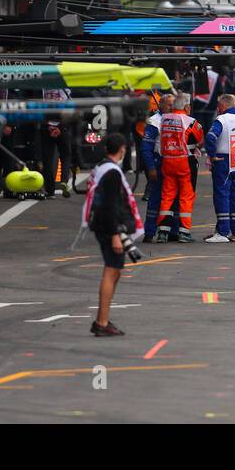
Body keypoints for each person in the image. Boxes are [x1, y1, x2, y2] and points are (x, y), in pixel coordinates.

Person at [85, 133, 143, 337]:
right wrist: (115, 234)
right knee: (111, 271)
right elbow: (110, 205)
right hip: (109, 227)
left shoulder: (101, 167)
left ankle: (102, 319)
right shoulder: (112, 173)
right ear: (122, 149)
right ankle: (102, 321)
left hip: (104, 225)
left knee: (115, 271)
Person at [155, 93, 204, 243]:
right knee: (186, 196)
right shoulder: (191, 121)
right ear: (186, 106)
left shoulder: (164, 119)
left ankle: (162, 232)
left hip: (167, 161)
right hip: (185, 162)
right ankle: (184, 232)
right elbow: (201, 140)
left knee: (167, 195)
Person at [204, 93, 235, 243]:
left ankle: (222, 232)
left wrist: (211, 155)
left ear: (223, 106)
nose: (218, 109)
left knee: (221, 195)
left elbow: (210, 137)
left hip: (223, 160)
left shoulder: (221, 120)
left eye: (219, 106)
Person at [141, 93, 174, 243]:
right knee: (155, 198)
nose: (172, 107)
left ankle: (172, 231)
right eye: (169, 104)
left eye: (173, 104)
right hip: (159, 162)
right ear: (161, 105)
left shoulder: (177, 119)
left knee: (174, 198)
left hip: (174, 163)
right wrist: (151, 168)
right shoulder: (154, 122)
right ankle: (149, 231)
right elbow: (146, 148)